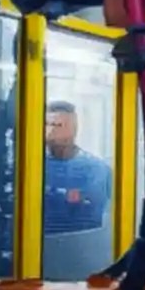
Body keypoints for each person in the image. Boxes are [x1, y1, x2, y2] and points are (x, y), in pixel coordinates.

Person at [42, 101, 113, 279]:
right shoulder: (30, 167)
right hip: (39, 253)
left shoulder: (95, 169)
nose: (52, 131)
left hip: (83, 254)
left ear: (74, 129)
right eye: (49, 124)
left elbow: (91, 204)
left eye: (59, 125)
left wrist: (53, 193)